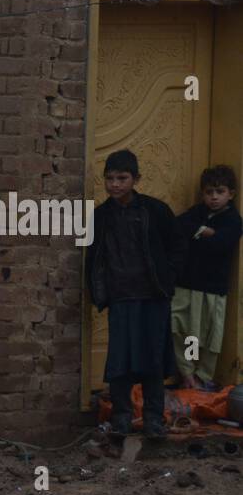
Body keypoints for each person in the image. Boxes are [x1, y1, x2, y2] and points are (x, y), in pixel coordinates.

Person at [85, 149, 183, 437]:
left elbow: (177, 246)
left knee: (153, 358)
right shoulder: (101, 216)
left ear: (136, 179)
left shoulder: (155, 211)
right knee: (120, 361)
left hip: (153, 296)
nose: (115, 184)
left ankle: (154, 419)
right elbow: (94, 257)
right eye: (110, 178)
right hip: (121, 298)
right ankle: (121, 418)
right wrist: (99, 292)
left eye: (122, 178)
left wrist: (169, 278)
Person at [172, 165, 241, 390]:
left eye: (219, 192)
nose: (213, 197)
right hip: (187, 285)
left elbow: (220, 245)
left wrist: (201, 238)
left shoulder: (232, 219)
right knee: (180, 328)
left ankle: (202, 377)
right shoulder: (198, 212)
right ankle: (187, 372)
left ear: (230, 194)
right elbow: (178, 226)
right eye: (209, 192)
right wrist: (204, 231)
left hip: (212, 289)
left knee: (206, 336)